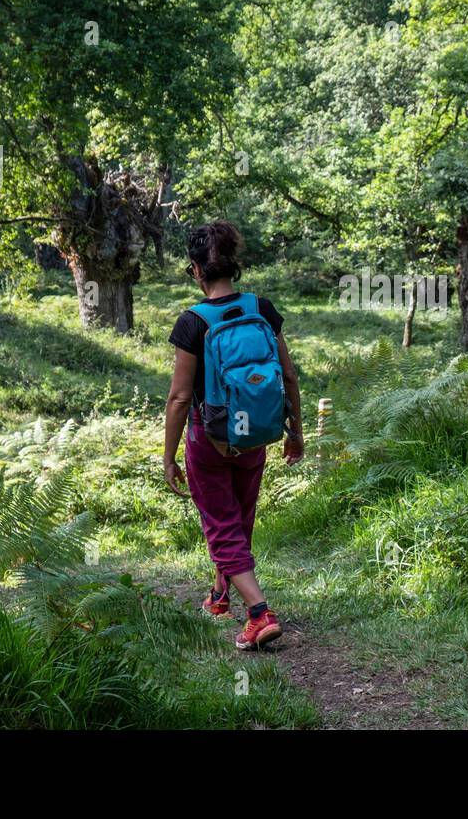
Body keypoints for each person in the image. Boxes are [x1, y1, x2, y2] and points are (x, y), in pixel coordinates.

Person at [163, 221, 304, 649]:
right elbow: (289, 376)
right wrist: (294, 432)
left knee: (221, 525)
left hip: (210, 438)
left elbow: (179, 398)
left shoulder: (193, 322)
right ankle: (222, 594)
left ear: (195, 270)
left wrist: (168, 457)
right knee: (238, 520)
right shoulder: (261, 308)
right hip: (256, 432)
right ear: (232, 264)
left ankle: (260, 614)